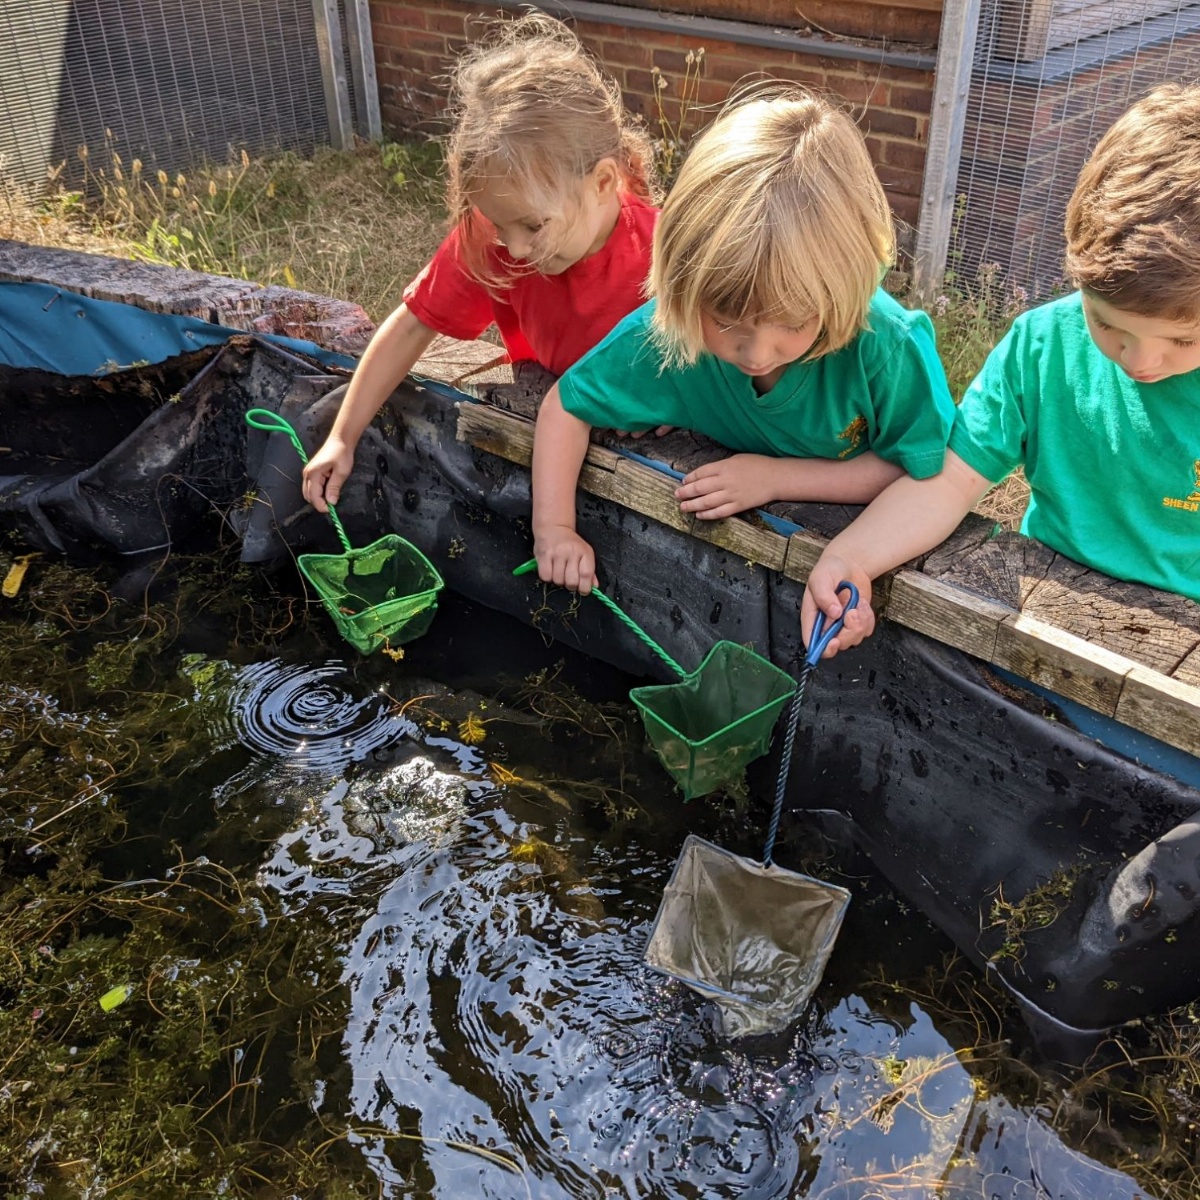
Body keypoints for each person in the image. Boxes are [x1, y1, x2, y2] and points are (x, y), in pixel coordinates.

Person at [801, 83, 1200, 658]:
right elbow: (952, 480)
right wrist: (851, 556)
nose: (1140, 361)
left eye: (1182, 339)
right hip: (1045, 620)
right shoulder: (1042, 347)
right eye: (1107, 323)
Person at [529, 86, 955, 594]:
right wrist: (553, 529)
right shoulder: (668, 333)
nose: (754, 354)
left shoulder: (886, 346)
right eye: (727, 321)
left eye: (793, 324)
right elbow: (567, 407)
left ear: (839, 287)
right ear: (685, 283)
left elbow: (925, 469)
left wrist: (774, 478)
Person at [301, 13, 658, 512]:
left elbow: (736, 359)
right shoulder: (495, 237)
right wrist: (343, 434)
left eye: (533, 227)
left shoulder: (667, 253)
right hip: (548, 420)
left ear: (602, 182)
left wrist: (672, 402)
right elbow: (411, 327)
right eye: (499, 225)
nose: (513, 251)